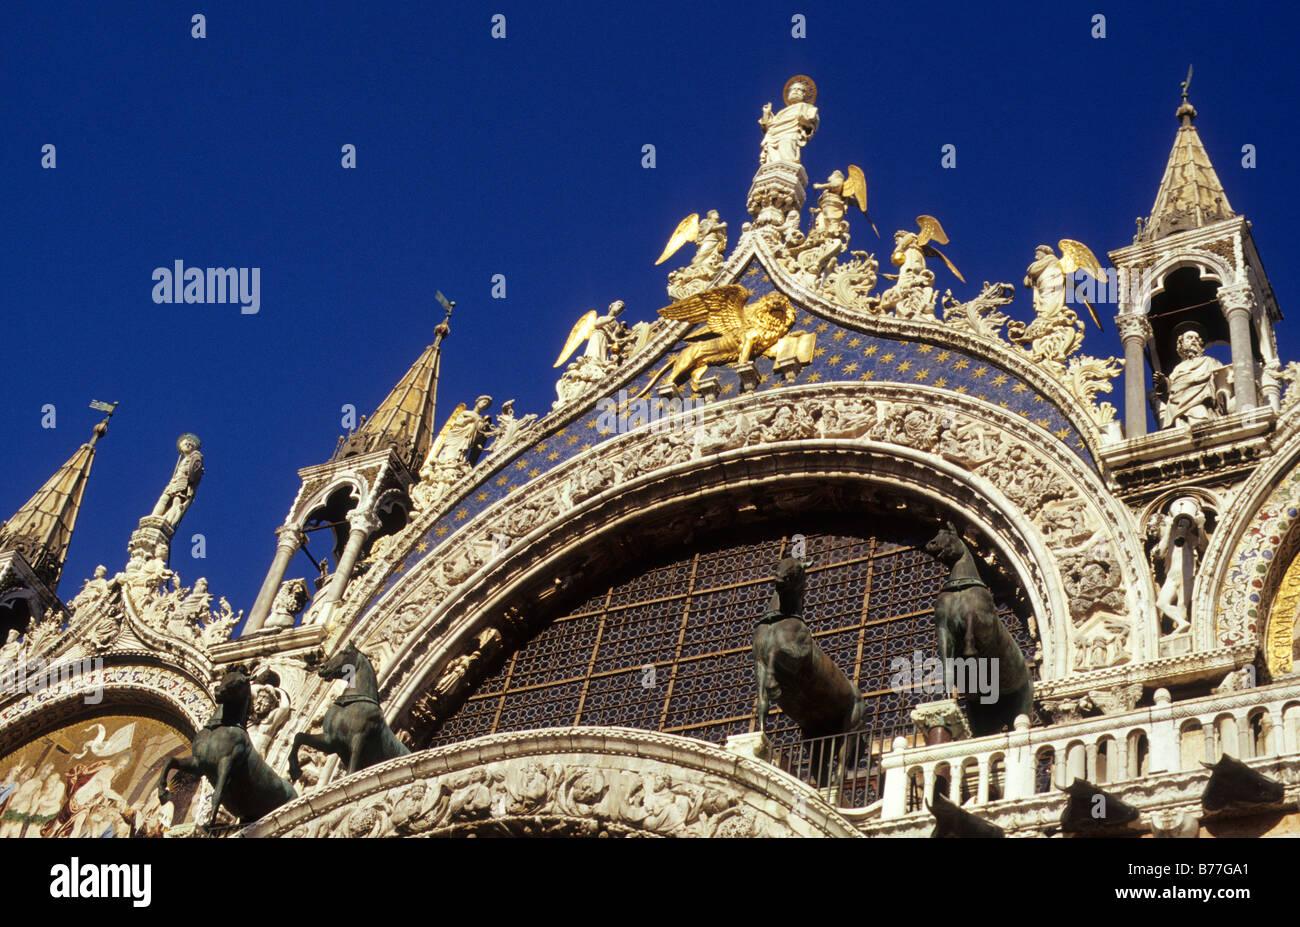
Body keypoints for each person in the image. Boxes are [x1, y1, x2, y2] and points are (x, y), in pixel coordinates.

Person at [1158, 329, 1227, 427]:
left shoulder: (1210, 362)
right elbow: (1171, 393)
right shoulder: (1177, 368)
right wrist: (1163, 385)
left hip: (1200, 402)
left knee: (1201, 420)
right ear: (1182, 344)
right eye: (1190, 338)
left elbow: (1221, 382)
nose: (1194, 341)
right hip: (1177, 409)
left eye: (1196, 339)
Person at [758, 78, 819, 166]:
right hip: (773, 137)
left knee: (787, 158)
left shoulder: (807, 107)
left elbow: (811, 123)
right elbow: (768, 127)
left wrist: (802, 119)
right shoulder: (781, 112)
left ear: (804, 94)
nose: (796, 91)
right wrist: (766, 114)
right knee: (772, 162)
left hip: (790, 133)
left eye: (799, 90)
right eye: (793, 89)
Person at [151, 434, 203, 528]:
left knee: (177, 500)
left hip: (182, 481)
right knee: (163, 499)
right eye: (185, 444)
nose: (188, 445)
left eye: (190, 444)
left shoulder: (195, 456)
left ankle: (168, 522)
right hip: (174, 481)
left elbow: (194, 470)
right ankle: (154, 518)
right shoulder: (184, 458)